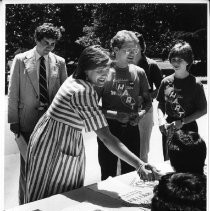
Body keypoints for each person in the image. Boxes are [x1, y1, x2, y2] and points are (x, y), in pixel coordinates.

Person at [24, 45, 160, 203]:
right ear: (86, 68)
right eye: (99, 70)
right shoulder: (83, 90)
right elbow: (106, 138)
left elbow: (90, 108)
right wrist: (139, 164)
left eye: (107, 69)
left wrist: (114, 114)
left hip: (51, 138)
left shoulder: (77, 80)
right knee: (54, 200)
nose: (105, 75)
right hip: (55, 145)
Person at [7, 23, 68, 204]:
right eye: (46, 43)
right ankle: (24, 204)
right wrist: (13, 120)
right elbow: (13, 93)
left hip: (51, 122)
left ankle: (47, 202)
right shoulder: (20, 59)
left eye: (53, 44)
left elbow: (65, 93)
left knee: (50, 165)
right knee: (28, 166)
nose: (49, 47)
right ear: (36, 39)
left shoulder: (60, 62)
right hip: (27, 121)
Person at [96, 30, 152, 180]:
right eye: (128, 50)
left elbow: (148, 101)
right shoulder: (104, 72)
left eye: (135, 50)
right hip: (108, 130)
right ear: (115, 50)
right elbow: (92, 107)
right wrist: (115, 115)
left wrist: (140, 114)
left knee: (131, 174)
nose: (133, 53)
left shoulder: (139, 72)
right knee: (108, 174)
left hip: (132, 129)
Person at [156, 41, 207, 161]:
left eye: (180, 60)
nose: (176, 63)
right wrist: (161, 119)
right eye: (173, 59)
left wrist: (183, 121)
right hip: (169, 127)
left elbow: (203, 109)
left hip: (189, 127)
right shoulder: (166, 82)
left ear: (188, 61)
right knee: (169, 163)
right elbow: (161, 104)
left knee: (189, 163)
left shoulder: (195, 84)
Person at [132, 32, 162, 162]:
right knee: (127, 147)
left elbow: (162, 87)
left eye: (135, 44)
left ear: (141, 46)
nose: (132, 47)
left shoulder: (152, 65)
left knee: (143, 149)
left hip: (145, 110)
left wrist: (147, 96)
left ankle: (143, 179)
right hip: (127, 109)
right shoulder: (123, 64)